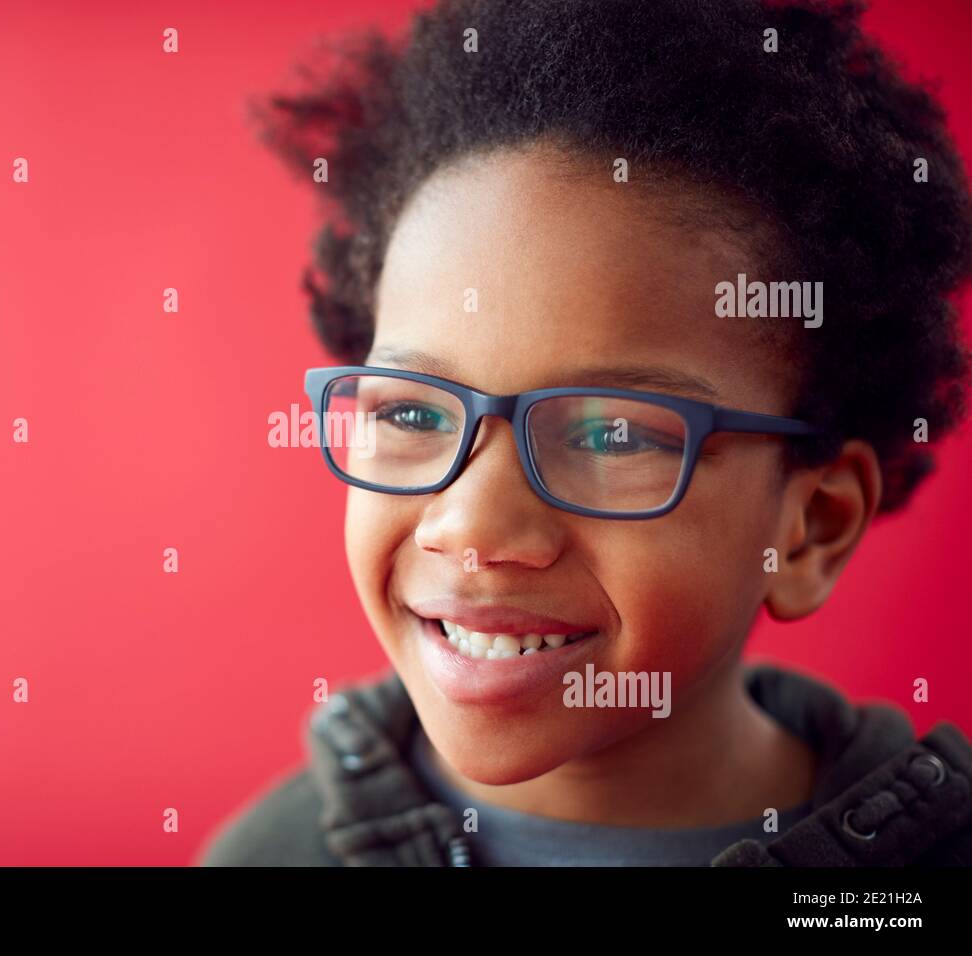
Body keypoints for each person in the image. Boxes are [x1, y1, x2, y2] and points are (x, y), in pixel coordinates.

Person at [200, 0, 972, 866]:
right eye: (412, 413)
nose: (471, 528)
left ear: (811, 527)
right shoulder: (268, 853)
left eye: (612, 436)